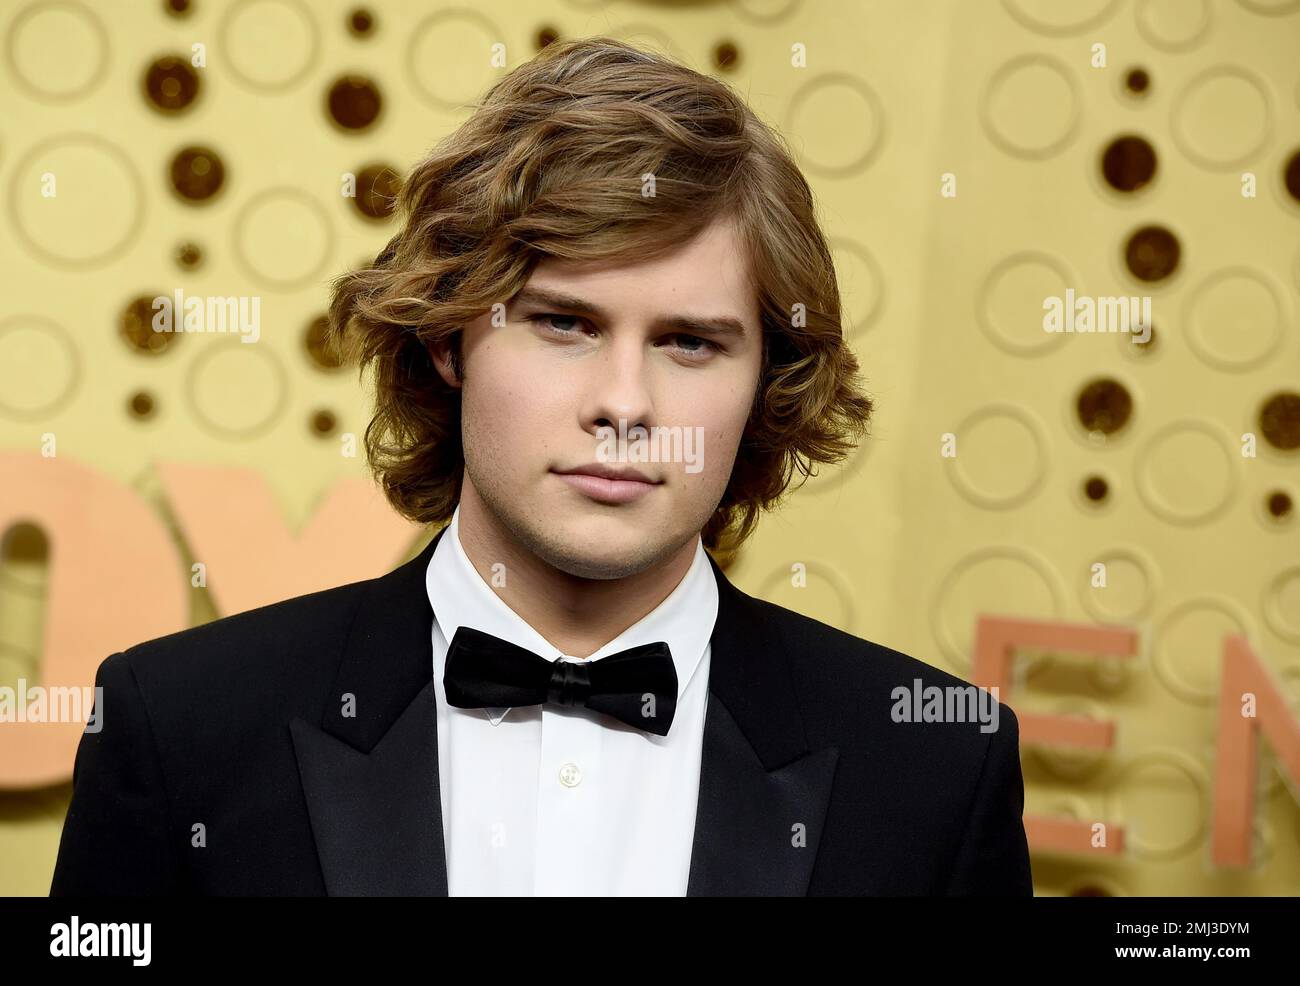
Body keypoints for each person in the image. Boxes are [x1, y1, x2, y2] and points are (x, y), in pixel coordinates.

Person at [50, 36, 1032, 896]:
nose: (624, 402)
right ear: (448, 339)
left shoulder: (932, 769)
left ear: (763, 381)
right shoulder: (183, 728)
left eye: (690, 342)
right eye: (564, 322)